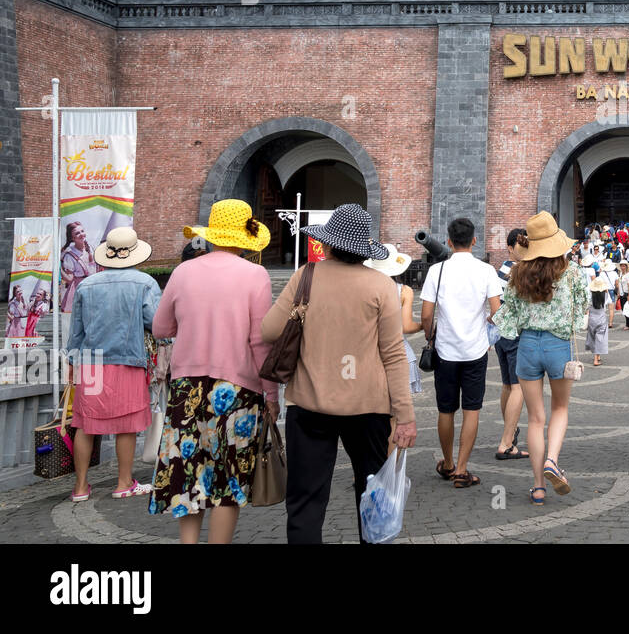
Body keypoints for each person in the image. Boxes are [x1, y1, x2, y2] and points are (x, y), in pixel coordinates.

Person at [263, 203, 416, 543]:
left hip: (309, 403)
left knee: (305, 499)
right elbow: (393, 355)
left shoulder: (306, 275)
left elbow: (269, 330)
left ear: (327, 243)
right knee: (373, 491)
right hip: (369, 407)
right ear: (364, 250)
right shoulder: (381, 285)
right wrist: (404, 416)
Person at [150, 201, 279, 543]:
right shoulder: (256, 275)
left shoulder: (183, 272)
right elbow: (259, 342)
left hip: (185, 390)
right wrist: (272, 395)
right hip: (238, 391)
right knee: (228, 477)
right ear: (243, 237)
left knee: (187, 471)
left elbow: (161, 328)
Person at [494, 212, 587, 505]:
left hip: (527, 347)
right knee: (560, 408)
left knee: (535, 419)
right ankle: (553, 461)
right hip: (557, 346)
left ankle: (537, 487)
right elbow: (581, 309)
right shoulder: (571, 272)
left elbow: (506, 316)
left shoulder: (518, 273)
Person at [65, 227, 160, 503]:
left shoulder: (86, 285)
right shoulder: (144, 283)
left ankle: (81, 487)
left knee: (84, 424)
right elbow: (157, 325)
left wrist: (71, 362)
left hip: (91, 362)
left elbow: (76, 333)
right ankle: (123, 482)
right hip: (128, 360)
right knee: (126, 424)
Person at [421, 217, 500, 488]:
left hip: (445, 350)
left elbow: (427, 314)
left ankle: (448, 461)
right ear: (475, 240)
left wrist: (430, 335)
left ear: (449, 241)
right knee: (472, 409)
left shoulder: (437, 271)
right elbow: (497, 310)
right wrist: (484, 324)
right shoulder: (486, 270)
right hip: (475, 350)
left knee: (446, 409)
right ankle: (463, 470)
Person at [364, 243, 422, 452]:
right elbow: (406, 327)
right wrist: (425, 324)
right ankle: (391, 471)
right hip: (397, 353)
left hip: (368, 354)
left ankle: (363, 471)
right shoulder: (404, 291)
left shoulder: (363, 288)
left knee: (368, 417)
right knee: (396, 418)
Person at [493, 228, 529, 461]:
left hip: (500, 334)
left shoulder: (501, 269)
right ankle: (506, 442)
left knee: (507, 385)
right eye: (520, 244)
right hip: (516, 333)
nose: (524, 248)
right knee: (519, 387)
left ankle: (510, 429)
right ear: (509, 247)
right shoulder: (520, 270)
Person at [59, 220, 99, 314]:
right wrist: (59, 268)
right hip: (79, 289)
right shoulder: (69, 255)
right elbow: (69, 279)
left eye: (82, 231)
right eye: (77, 233)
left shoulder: (91, 248)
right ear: (72, 238)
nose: (81, 234)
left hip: (94, 287)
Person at [586, 270, 612, 366]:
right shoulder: (605, 296)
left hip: (592, 319)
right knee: (600, 338)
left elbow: (586, 306)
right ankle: (596, 359)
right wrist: (606, 290)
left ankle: (597, 356)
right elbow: (609, 302)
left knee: (593, 337)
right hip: (601, 319)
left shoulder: (590, 295)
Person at [617, 262, 629, 329]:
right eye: (621, 266)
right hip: (621, 294)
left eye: (624, 266)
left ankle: (628, 324)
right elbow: (619, 284)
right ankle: (628, 323)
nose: (622, 267)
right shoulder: (620, 274)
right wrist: (618, 292)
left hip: (626, 293)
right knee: (623, 309)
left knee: (626, 309)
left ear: (626, 267)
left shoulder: (628, 275)